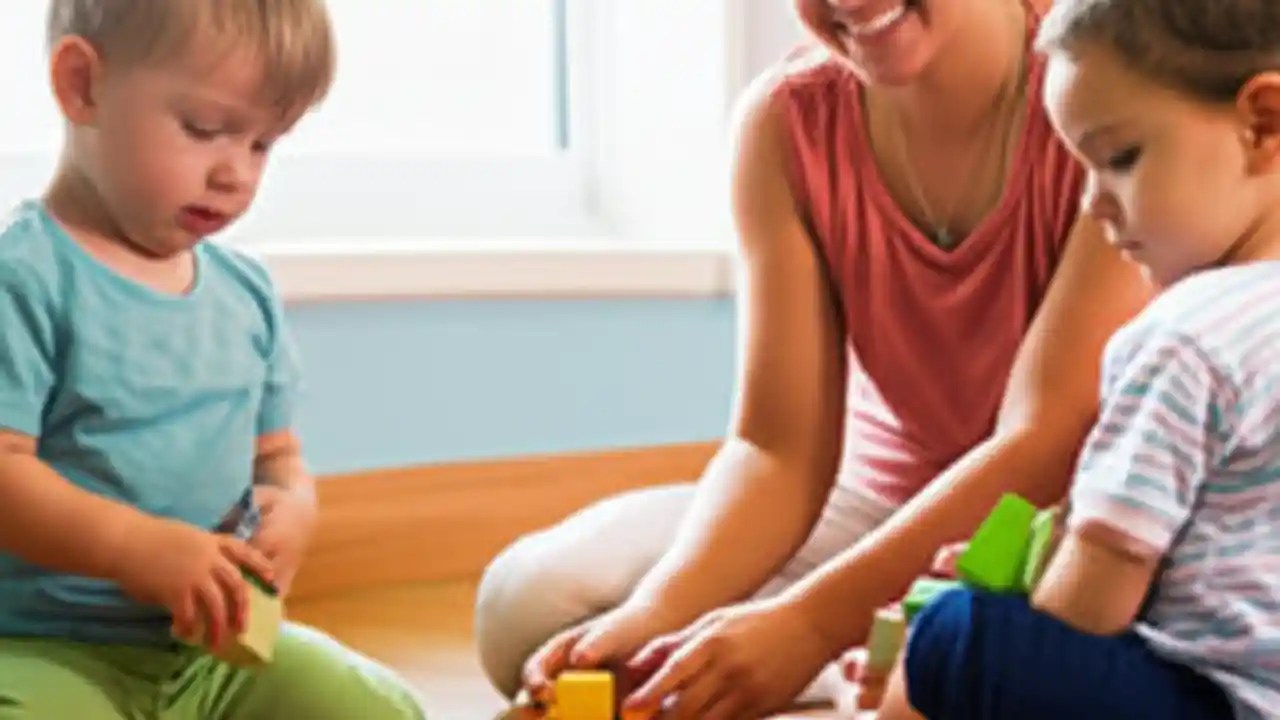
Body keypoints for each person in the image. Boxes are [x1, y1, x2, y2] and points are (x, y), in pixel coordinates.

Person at [476, 0, 1152, 716]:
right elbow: (775, 451)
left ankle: (860, 658)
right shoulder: (785, 124)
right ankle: (859, 660)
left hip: (1058, 540)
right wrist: (654, 622)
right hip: (871, 511)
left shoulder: (1098, 97)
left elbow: (1044, 439)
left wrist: (808, 623)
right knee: (526, 606)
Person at [0, 1, 426, 717]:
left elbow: (279, 457)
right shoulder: (27, 276)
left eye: (263, 145)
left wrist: (296, 504)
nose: (237, 174)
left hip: (214, 657)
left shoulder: (244, 293)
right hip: (41, 648)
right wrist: (132, 549)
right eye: (205, 130)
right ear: (82, 87)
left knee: (375, 705)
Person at [879, 0, 1280, 718]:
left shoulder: (1184, 337)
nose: (1093, 203)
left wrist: (995, 647)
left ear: (1263, 122)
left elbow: (1099, 588)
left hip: (1220, 702)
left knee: (957, 635)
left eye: (1120, 159)